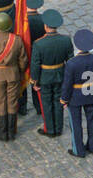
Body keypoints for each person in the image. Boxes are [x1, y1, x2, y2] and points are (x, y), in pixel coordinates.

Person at [59, 29, 93, 159]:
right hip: (91, 94)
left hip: (75, 97)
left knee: (76, 123)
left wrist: (64, 99)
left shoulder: (72, 63)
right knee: (92, 121)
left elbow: (67, 84)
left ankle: (78, 150)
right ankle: (92, 146)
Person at [0, 13, 28, 143]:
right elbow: (23, 60)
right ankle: (12, 130)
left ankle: (3, 131)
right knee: (12, 102)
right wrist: (19, 73)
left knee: (0, 103)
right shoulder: (17, 40)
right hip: (13, 74)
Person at [30, 9, 72, 138]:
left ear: (45, 26)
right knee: (58, 101)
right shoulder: (66, 40)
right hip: (60, 74)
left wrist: (34, 81)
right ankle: (58, 128)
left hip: (45, 77)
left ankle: (49, 129)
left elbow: (36, 64)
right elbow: (70, 60)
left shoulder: (39, 44)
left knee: (47, 103)